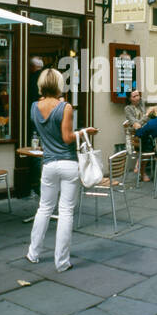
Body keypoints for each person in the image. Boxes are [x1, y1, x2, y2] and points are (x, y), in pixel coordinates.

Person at [26, 69, 98, 273]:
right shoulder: (65, 107)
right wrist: (85, 132)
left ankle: (33, 253)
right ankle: (62, 262)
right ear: (59, 84)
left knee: (44, 208)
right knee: (66, 212)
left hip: (48, 164)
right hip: (68, 163)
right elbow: (67, 138)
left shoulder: (34, 107)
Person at [124, 90, 151, 182]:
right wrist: (146, 116)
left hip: (145, 132)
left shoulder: (141, 103)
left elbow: (141, 123)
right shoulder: (128, 108)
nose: (137, 98)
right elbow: (135, 124)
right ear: (130, 99)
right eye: (134, 96)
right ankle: (142, 170)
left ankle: (139, 165)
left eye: (138, 95)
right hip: (135, 135)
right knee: (147, 143)